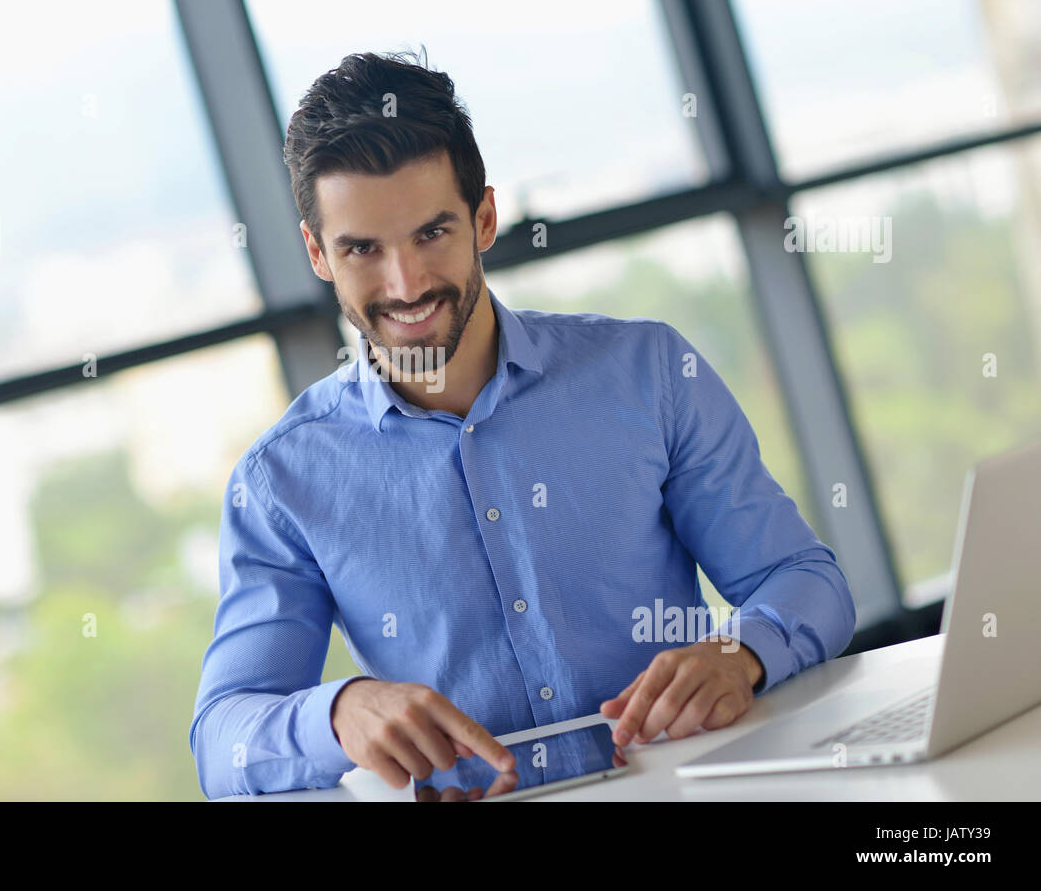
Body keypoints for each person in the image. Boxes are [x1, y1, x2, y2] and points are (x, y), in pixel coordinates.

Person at [189, 49, 856, 801]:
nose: (405, 284)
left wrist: (744, 652)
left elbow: (804, 580)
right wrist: (338, 711)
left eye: (432, 233)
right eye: (363, 249)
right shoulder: (283, 481)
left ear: (485, 218)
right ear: (318, 253)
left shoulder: (648, 371)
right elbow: (224, 740)